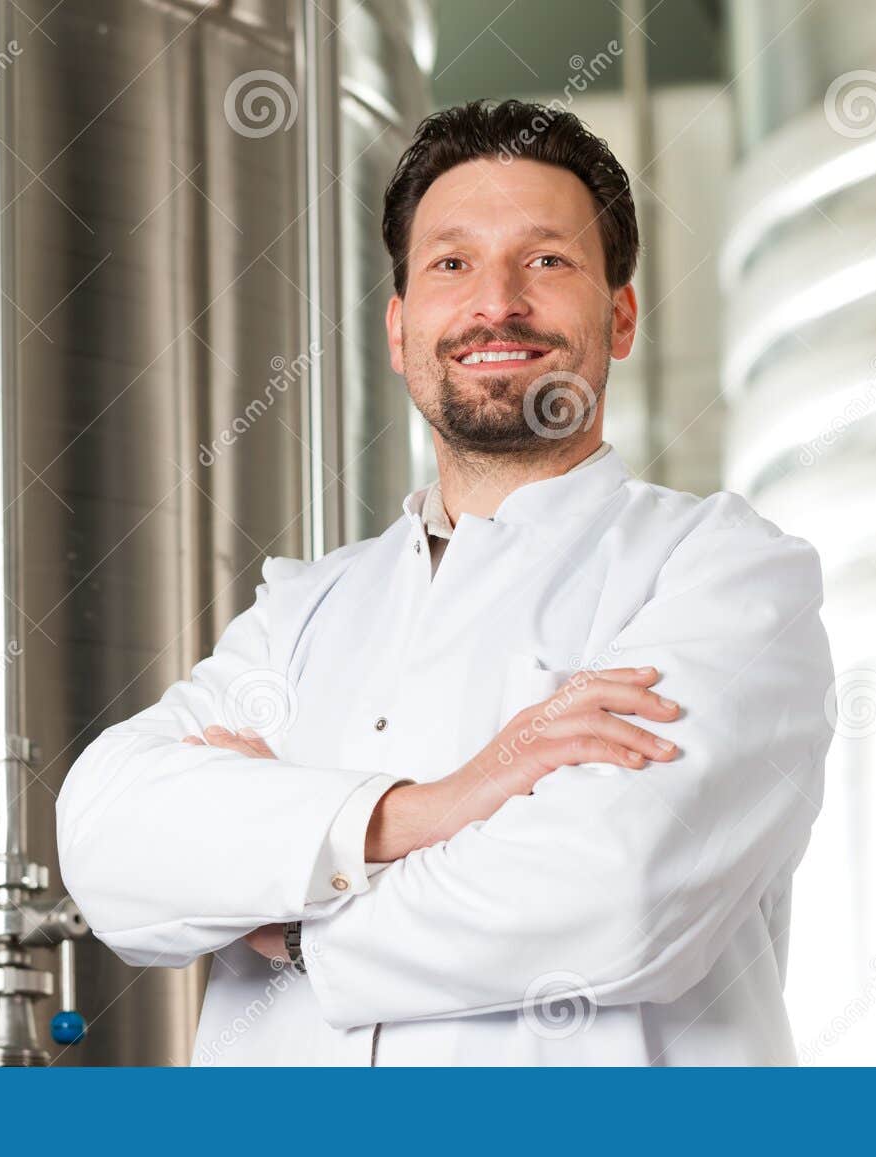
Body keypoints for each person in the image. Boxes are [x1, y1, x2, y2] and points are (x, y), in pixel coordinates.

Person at [56, 99, 835, 1065]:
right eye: (451, 263)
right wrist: (438, 803)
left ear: (620, 314)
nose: (495, 303)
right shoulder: (302, 612)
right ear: (399, 327)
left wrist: (293, 918)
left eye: (547, 260)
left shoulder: (722, 571)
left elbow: (616, 890)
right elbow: (107, 840)